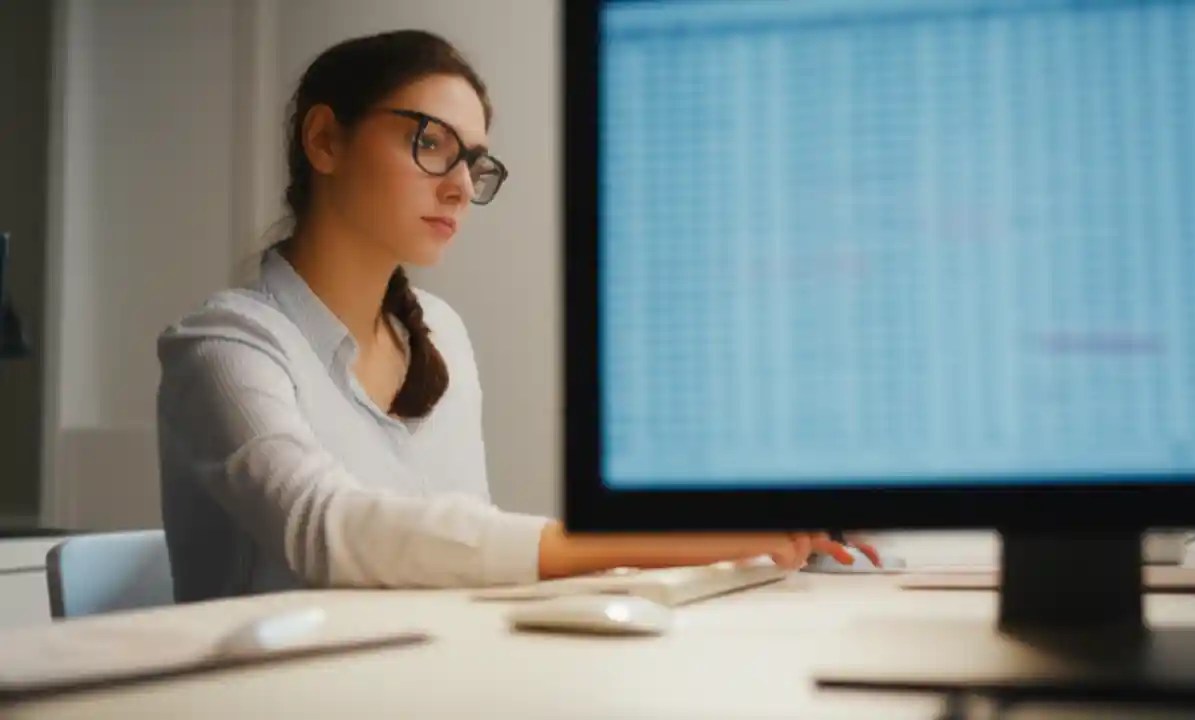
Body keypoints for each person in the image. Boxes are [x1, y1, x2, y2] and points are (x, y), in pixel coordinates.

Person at [156, 30, 852, 603]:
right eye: (430, 142)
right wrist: (678, 540)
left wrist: (732, 541)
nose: (460, 186)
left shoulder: (441, 334)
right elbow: (328, 530)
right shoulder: (225, 348)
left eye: (475, 163)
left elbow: (465, 557)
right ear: (325, 140)